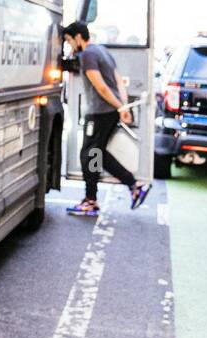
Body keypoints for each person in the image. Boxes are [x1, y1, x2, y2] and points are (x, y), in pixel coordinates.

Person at [61, 22, 152, 217]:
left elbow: (101, 87)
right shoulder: (102, 51)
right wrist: (123, 106)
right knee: (98, 153)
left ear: (78, 37)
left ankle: (91, 200)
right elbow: (118, 81)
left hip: (99, 112)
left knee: (89, 154)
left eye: (69, 41)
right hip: (109, 111)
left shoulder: (88, 55)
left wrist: (121, 107)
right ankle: (134, 186)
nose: (69, 45)